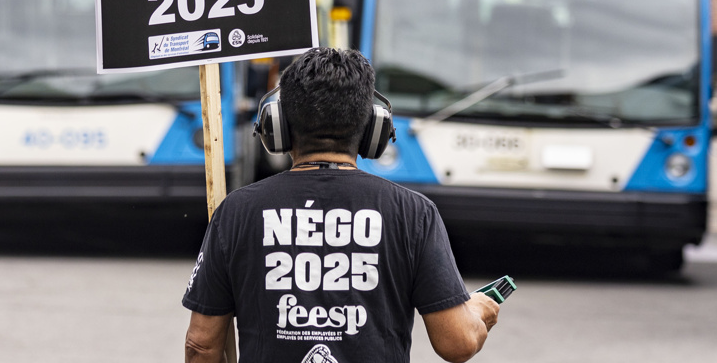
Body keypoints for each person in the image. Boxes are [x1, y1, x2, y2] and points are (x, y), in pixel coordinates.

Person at [183, 47, 499, 362]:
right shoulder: (414, 213)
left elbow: (201, 346)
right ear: (373, 128)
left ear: (277, 125)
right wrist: (477, 311)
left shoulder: (237, 211)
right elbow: (457, 343)